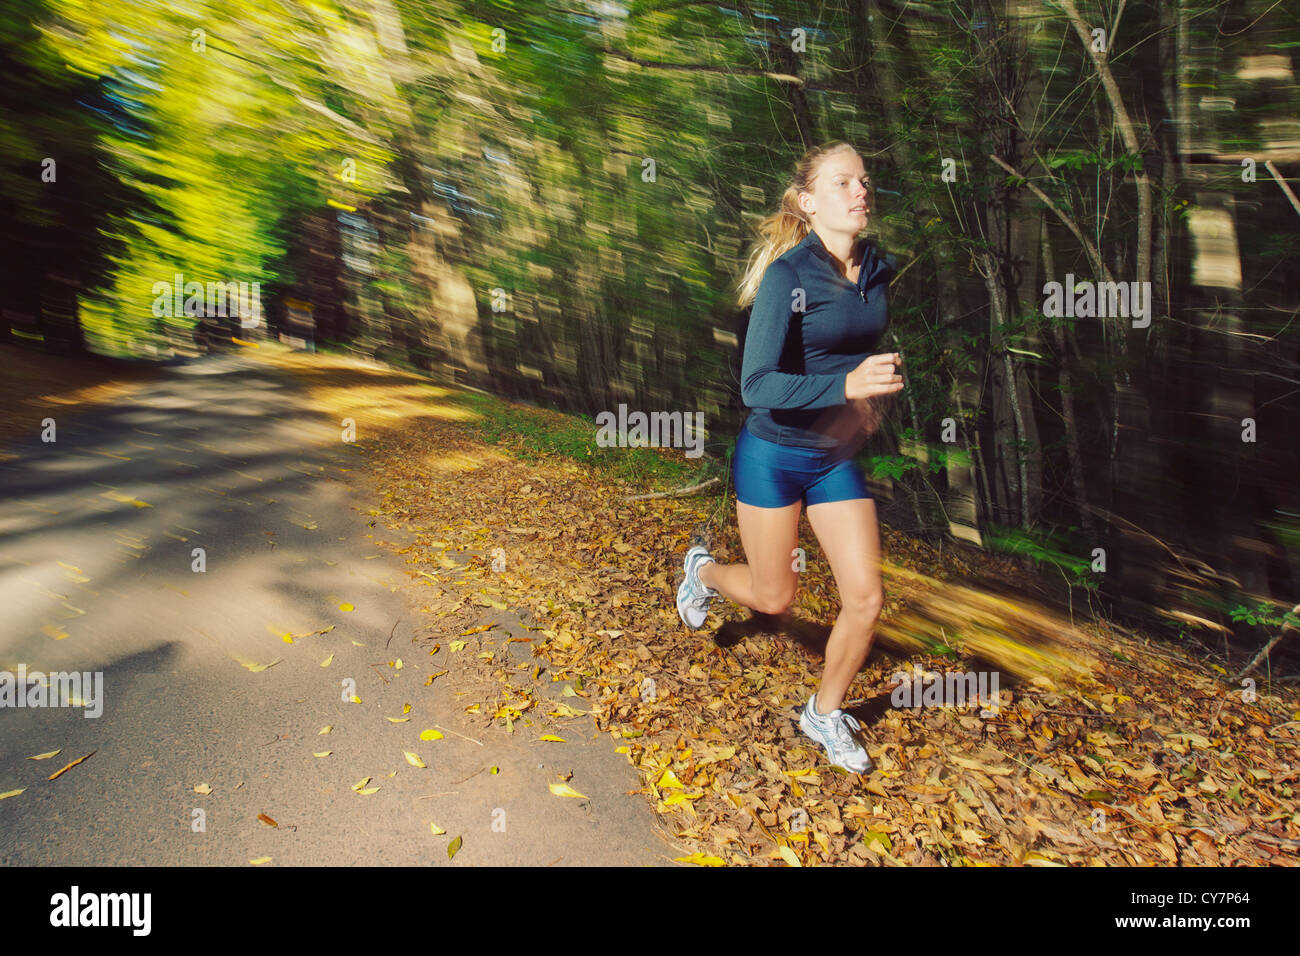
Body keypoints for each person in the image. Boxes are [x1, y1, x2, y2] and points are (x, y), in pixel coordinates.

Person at [675, 141, 904, 772]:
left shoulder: (878, 268)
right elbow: (756, 387)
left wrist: (870, 392)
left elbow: (849, 350)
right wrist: (847, 387)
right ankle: (703, 572)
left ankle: (823, 713)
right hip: (774, 454)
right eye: (842, 183)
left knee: (865, 600)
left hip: (835, 457)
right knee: (774, 599)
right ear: (808, 202)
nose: (861, 191)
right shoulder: (788, 278)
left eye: (863, 180)